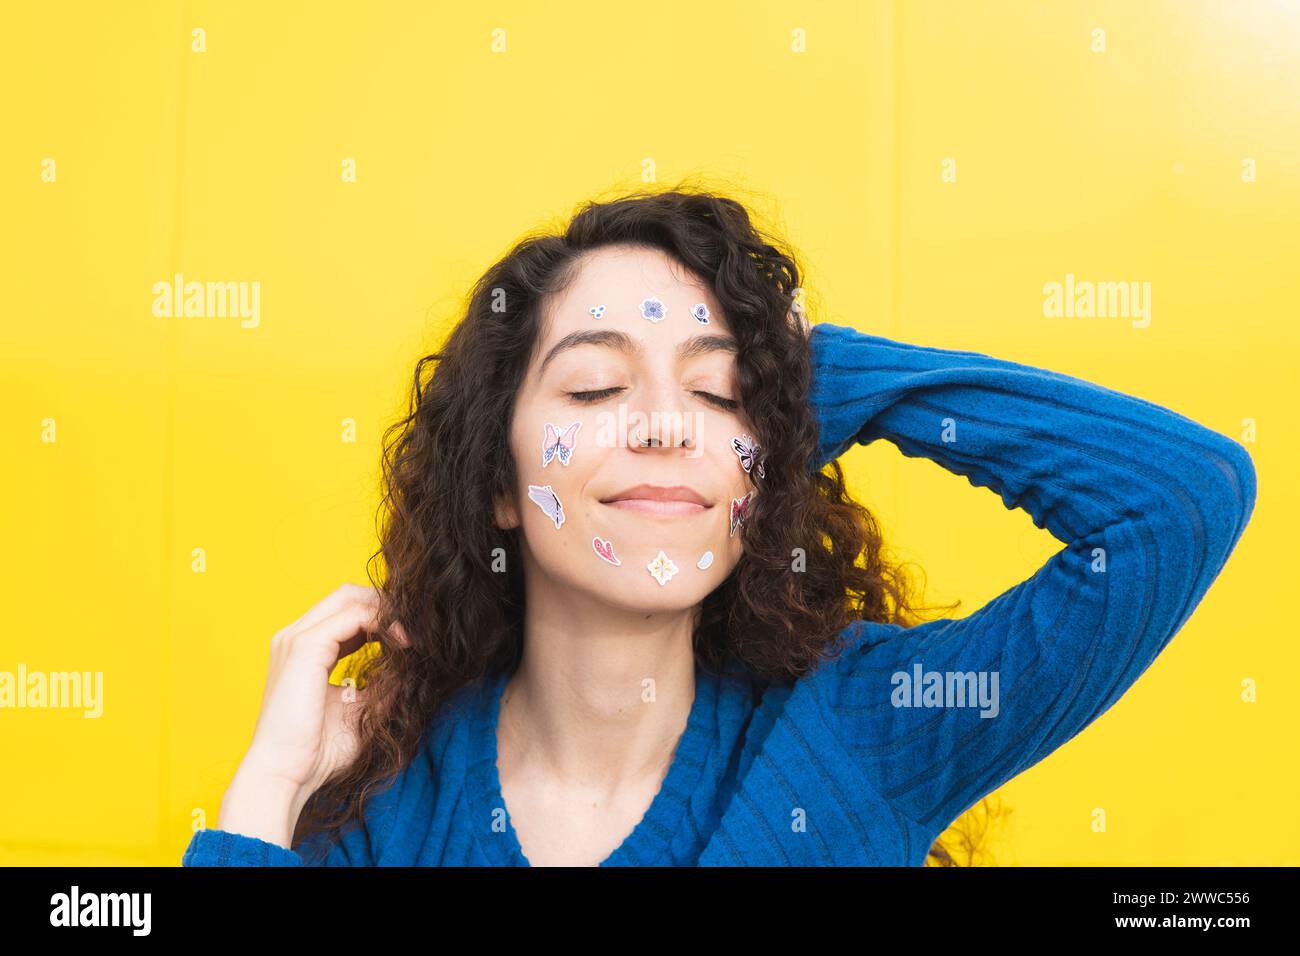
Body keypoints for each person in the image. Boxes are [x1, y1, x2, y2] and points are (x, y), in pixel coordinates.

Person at [182, 187, 1255, 866]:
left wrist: (808, 377)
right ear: (499, 482)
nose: (660, 424)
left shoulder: (861, 734)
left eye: (718, 393)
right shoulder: (378, 805)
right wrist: (264, 794)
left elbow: (1177, 495)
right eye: (597, 387)